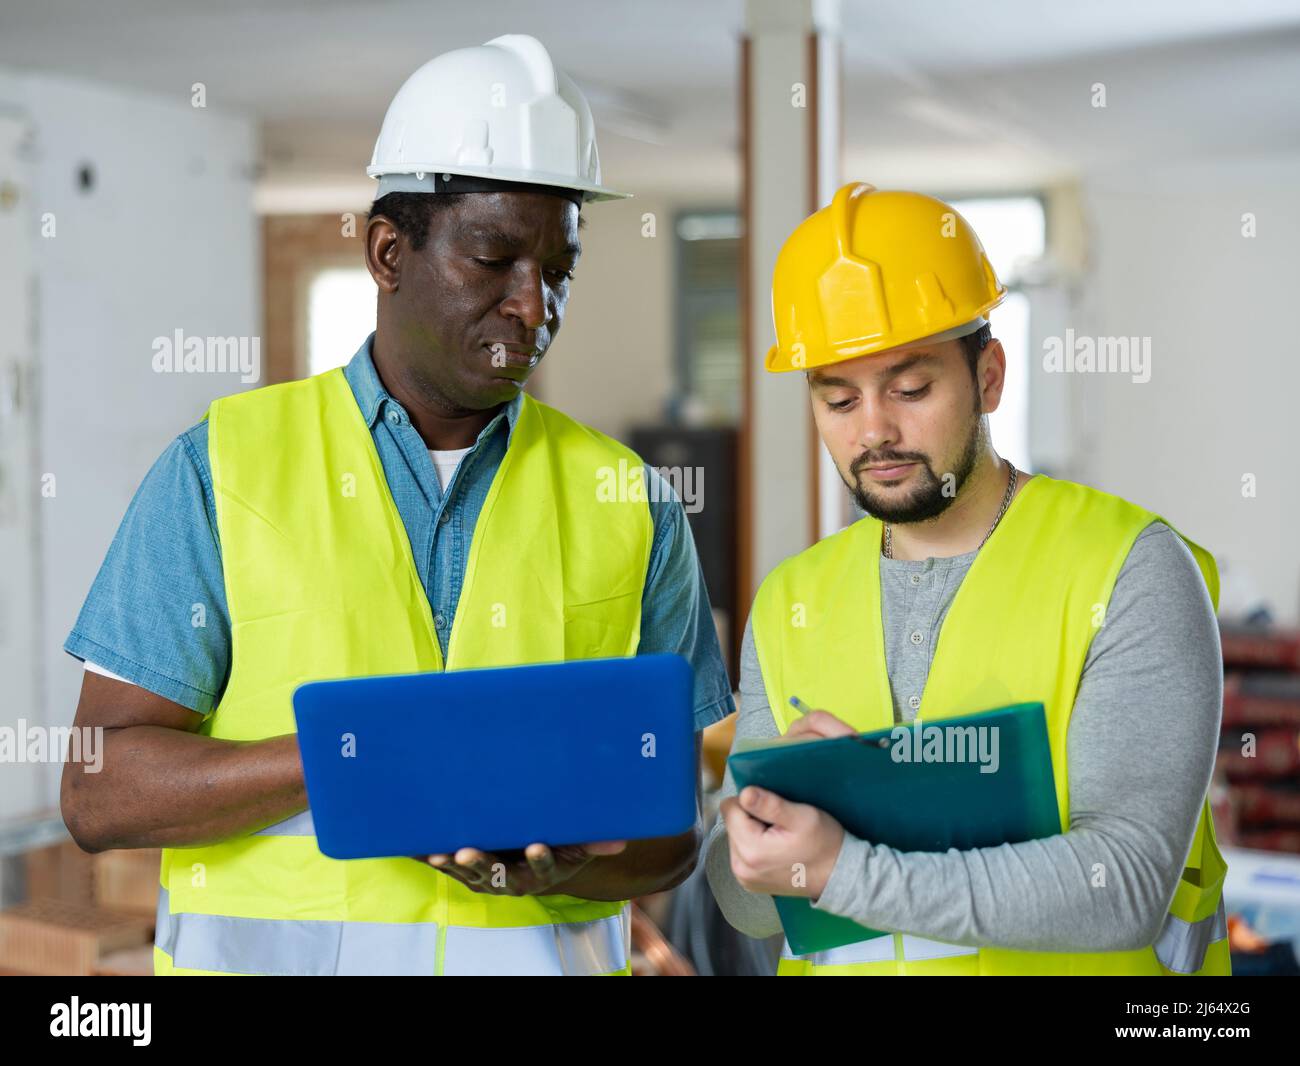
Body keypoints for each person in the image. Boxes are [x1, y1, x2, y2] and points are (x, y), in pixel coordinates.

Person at [60, 35, 733, 976]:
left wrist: (577, 865)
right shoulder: (224, 468)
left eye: (559, 270)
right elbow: (98, 792)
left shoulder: (631, 501)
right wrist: (363, 750)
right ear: (387, 251)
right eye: (494, 259)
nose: (532, 307)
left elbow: (670, 833)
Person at [705, 181, 1228, 976]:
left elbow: (1121, 883)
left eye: (911, 389)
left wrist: (850, 867)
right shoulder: (790, 603)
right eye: (838, 398)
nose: (874, 430)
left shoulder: (1129, 568)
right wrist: (756, 831)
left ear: (988, 376)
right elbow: (751, 908)